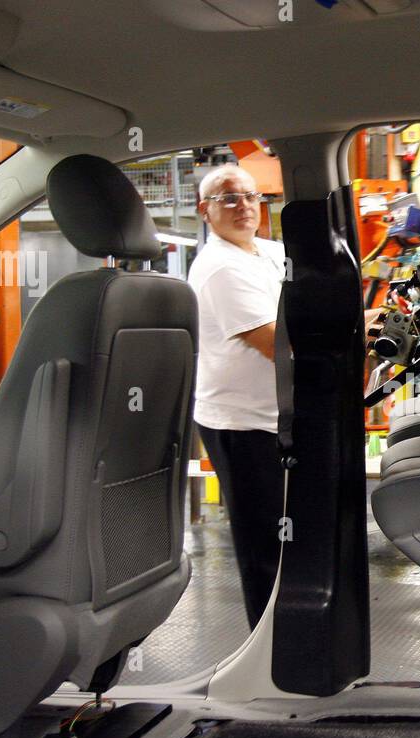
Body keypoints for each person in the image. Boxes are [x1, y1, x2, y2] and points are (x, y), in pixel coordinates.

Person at [188, 164, 287, 629]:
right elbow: (277, 345)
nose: (244, 206)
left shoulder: (267, 253)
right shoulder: (219, 267)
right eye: (229, 198)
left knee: (289, 539)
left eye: (251, 196)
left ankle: (294, 635)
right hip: (243, 425)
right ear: (205, 211)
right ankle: (268, 651)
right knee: (264, 546)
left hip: (276, 417)